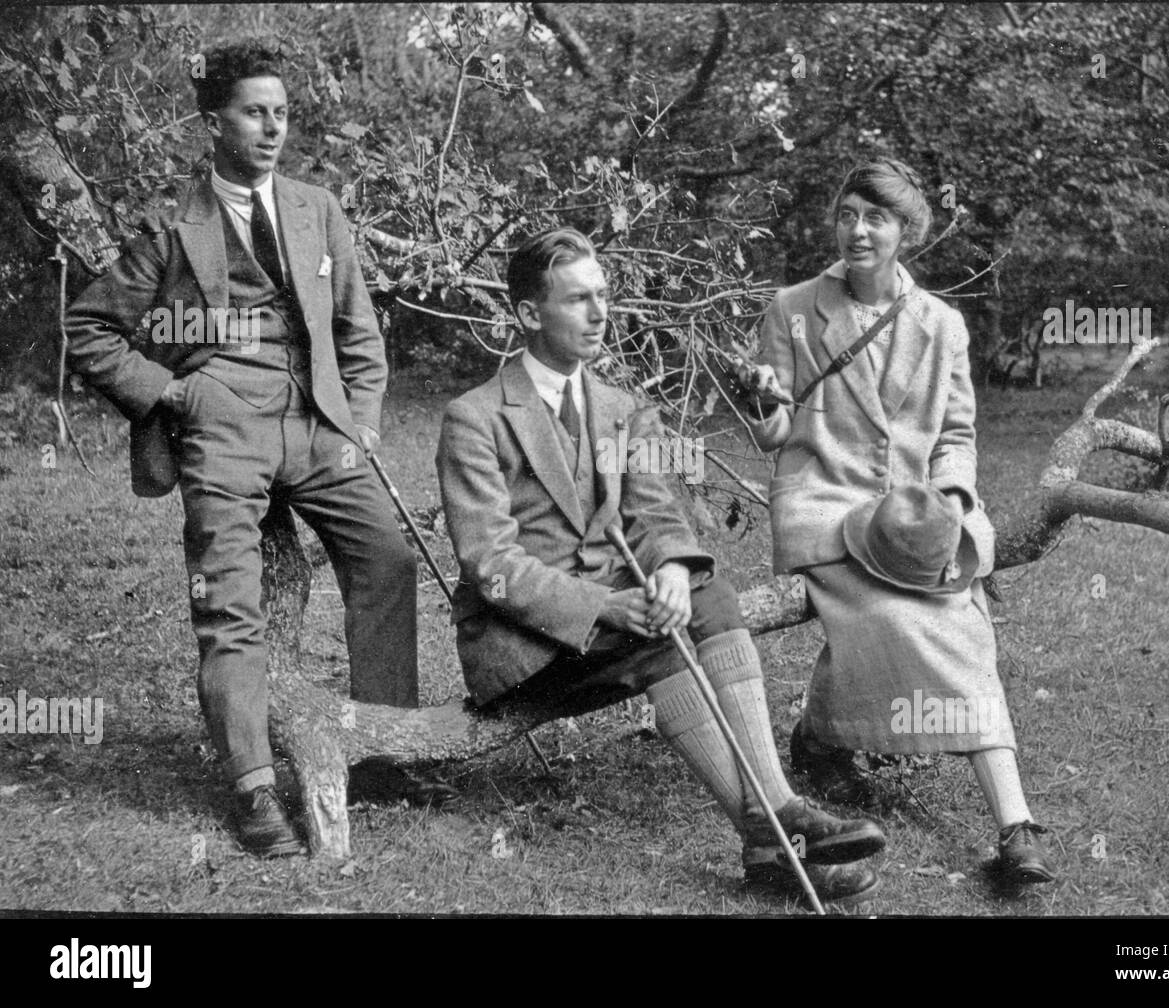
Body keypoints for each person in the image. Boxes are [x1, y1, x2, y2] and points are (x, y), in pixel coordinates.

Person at [436, 227, 887, 907]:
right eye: (578, 300)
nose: (599, 314)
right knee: (660, 637)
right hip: (528, 647)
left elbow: (654, 514)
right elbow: (489, 562)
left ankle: (771, 827)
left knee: (706, 596)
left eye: (604, 296)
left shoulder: (623, 409)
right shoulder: (474, 418)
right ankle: (775, 820)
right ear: (530, 313)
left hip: (619, 623)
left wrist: (672, 569)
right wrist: (602, 607)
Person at [65, 41, 429, 857]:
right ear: (213, 122)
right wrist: (172, 391)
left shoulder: (315, 208)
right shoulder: (170, 223)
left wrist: (362, 424)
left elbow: (358, 330)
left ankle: (380, 750)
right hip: (220, 424)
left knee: (386, 560)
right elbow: (88, 329)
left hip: (318, 422)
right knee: (229, 602)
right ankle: (254, 788)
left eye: (282, 114)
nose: (273, 129)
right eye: (255, 113)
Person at [737, 159, 1056, 885]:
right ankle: (1009, 822)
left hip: (913, 518)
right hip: (828, 507)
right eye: (847, 214)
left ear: (906, 231)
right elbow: (774, 435)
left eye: (875, 218)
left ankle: (1014, 829)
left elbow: (957, 434)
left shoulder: (942, 323)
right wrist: (761, 403)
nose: (857, 230)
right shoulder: (791, 308)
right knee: (901, 622)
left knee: (965, 622)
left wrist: (951, 500)